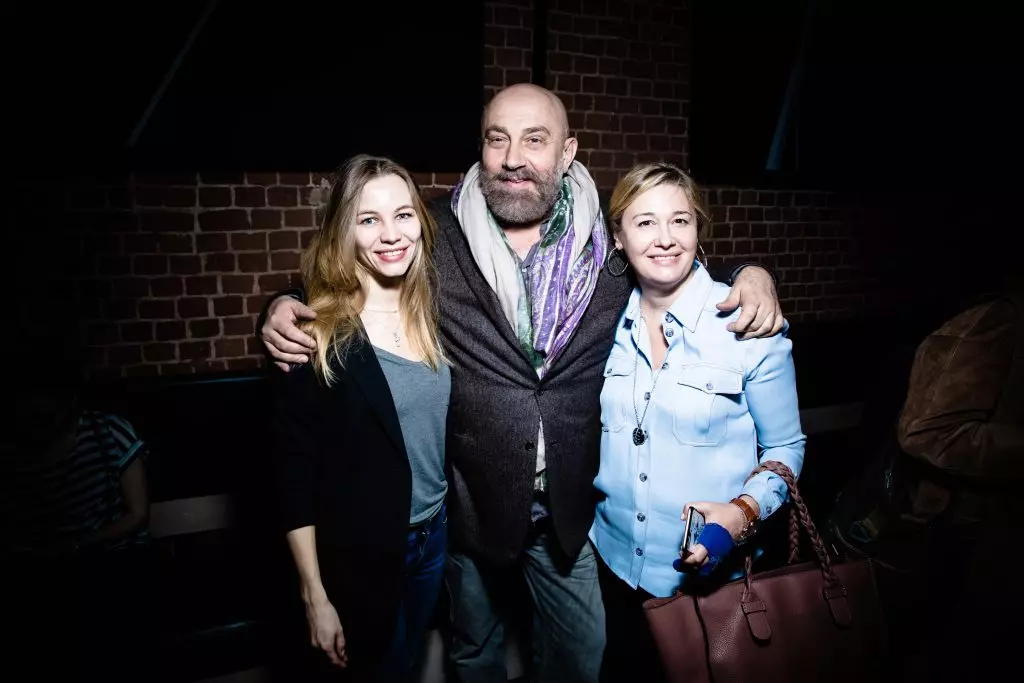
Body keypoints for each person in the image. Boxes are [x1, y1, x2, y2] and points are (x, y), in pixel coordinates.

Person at [259, 83, 784, 683]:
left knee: (580, 657)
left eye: (536, 139)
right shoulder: (434, 231)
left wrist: (750, 273)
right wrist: (278, 307)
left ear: (568, 153)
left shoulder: (609, 243)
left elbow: (675, 259)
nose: (514, 157)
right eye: (497, 138)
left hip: (568, 513)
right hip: (470, 507)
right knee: (473, 654)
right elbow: (350, 270)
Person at [590, 163, 806, 682]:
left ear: (698, 230)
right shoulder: (597, 323)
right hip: (611, 568)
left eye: (680, 221)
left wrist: (745, 512)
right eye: (644, 223)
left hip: (713, 583)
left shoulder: (748, 325)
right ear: (618, 238)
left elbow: (787, 446)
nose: (665, 239)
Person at [271, 155, 451, 681]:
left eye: (403, 215)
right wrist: (314, 596)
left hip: (435, 538)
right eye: (368, 219)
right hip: (362, 553)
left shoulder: (435, 311)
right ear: (343, 230)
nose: (390, 234)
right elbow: (292, 475)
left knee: (411, 659)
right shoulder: (312, 332)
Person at [1, 351, 152, 680]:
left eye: (50, 412)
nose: (42, 422)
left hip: (111, 562)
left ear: (69, 401)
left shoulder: (107, 432)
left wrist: (73, 546)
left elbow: (137, 514)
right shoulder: (11, 453)